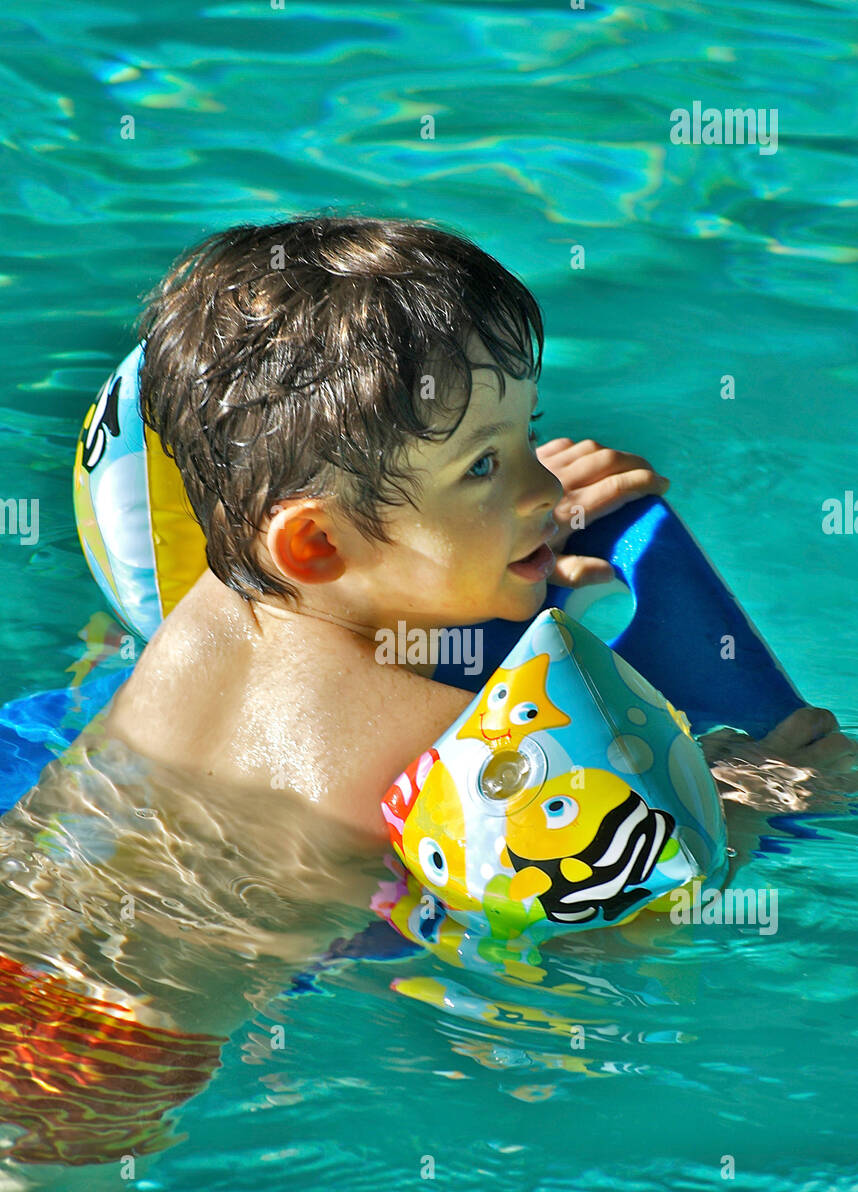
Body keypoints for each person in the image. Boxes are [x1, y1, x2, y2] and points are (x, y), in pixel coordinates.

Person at [103, 214, 853, 838]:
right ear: (318, 544)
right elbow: (613, 916)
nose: (549, 487)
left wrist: (488, 529)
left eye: (528, 434)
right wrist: (753, 798)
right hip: (137, 1029)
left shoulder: (208, 606)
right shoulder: (449, 744)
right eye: (483, 467)